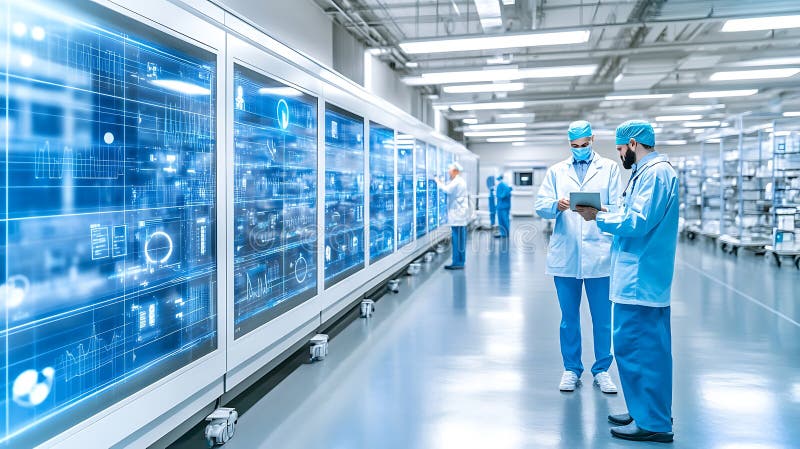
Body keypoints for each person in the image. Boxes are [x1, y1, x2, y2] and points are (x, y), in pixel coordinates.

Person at [576, 120, 679, 443]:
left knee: (638, 350)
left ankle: (653, 422)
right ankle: (644, 410)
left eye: (621, 149)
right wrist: (606, 210)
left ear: (633, 144)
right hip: (640, 278)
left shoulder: (656, 173)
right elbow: (635, 211)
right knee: (645, 350)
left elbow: (637, 222)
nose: (620, 155)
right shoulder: (647, 173)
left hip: (640, 281)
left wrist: (599, 216)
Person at [534, 120, 621, 394]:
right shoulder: (556, 171)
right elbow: (540, 206)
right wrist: (556, 205)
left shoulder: (609, 168)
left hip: (599, 253)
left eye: (584, 144)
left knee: (602, 319)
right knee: (568, 318)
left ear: (592, 139)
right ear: (569, 144)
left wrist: (599, 210)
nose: (580, 149)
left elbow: (618, 207)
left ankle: (602, 370)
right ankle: (571, 369)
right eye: (575, 145)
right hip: (566, 255)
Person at [436, 162, 469, 270]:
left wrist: (437, 181)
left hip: (457, 213)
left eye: (449, 171)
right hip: (460, 213)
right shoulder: (460, 181)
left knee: (456, 238)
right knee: (461, 239)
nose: (448, 173)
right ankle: (461, 261)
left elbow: (447, 190)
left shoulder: (457, 181)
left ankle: (456, 262)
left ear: (455, 171)